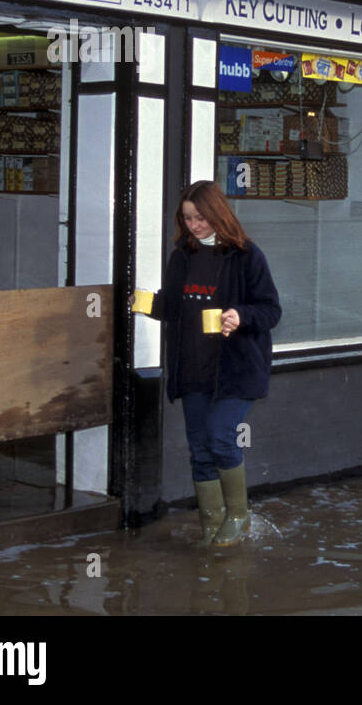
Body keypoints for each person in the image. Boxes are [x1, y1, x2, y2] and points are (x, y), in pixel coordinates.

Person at [145, 181, 282, 547]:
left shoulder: (246, 255)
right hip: (192, 369)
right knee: (200, 447)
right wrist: (142, 303)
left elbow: (271, 310)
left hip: (235, 370)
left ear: (218, 213)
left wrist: (239, 315)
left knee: (222, 436)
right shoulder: (182, 256)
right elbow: (172, 307)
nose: (194, 225)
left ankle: (238, 515)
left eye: (200, 217)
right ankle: (212, 520)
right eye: (187, 218)